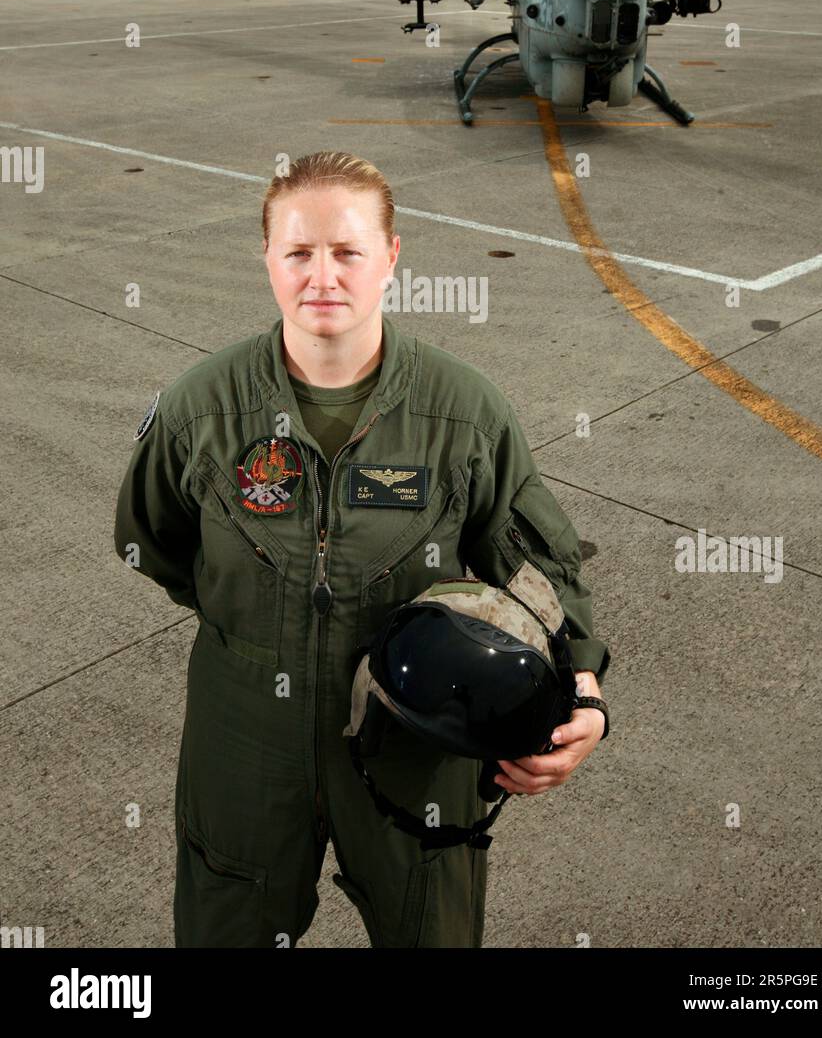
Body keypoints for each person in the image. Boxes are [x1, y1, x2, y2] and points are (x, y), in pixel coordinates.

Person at [113, 150, 611, 949]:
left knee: (432, 927)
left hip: (418, 727)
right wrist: (255, 620)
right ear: (267, 260)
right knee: (225, 926)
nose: (322, 276)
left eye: (347, 251)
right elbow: (155, 543)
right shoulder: (199, 409)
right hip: (242, 733)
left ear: (390, 258)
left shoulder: (464, 413)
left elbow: (537, 568)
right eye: (297, 252)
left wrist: (582, 693)